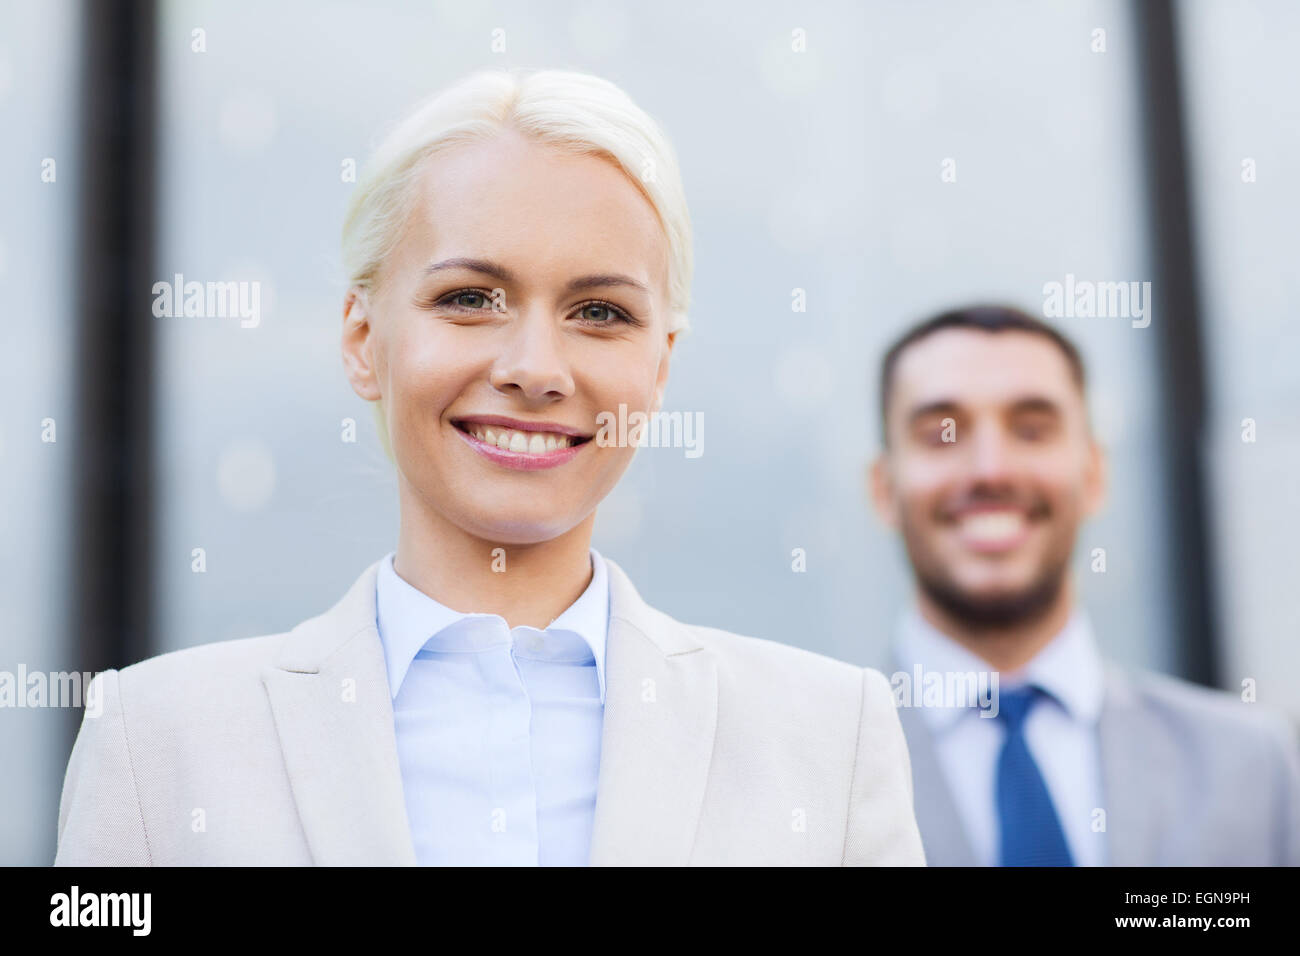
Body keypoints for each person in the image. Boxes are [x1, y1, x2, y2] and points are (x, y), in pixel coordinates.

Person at [53, 69, 924, 866]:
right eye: (469, 298)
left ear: (659, 368)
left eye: (600, 311)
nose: (535, 367)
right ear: (363, 339)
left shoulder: (827, 739)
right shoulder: (158, 742)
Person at [869, 304, 1300, 866]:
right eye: (941, 435)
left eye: (1031, 430)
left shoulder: (1250, 765)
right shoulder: (809, 770)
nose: (990, 470)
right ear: (884, 489)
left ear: (1093, 474)